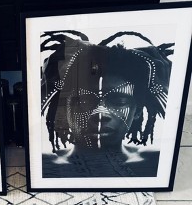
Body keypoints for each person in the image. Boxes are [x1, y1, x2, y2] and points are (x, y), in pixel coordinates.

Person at [40, 30, 173, 178]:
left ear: (137, 111)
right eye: (84, 101)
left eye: (119, 102)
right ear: (65, 109)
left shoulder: (158, 164)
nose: (100, 113)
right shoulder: (42, 167)